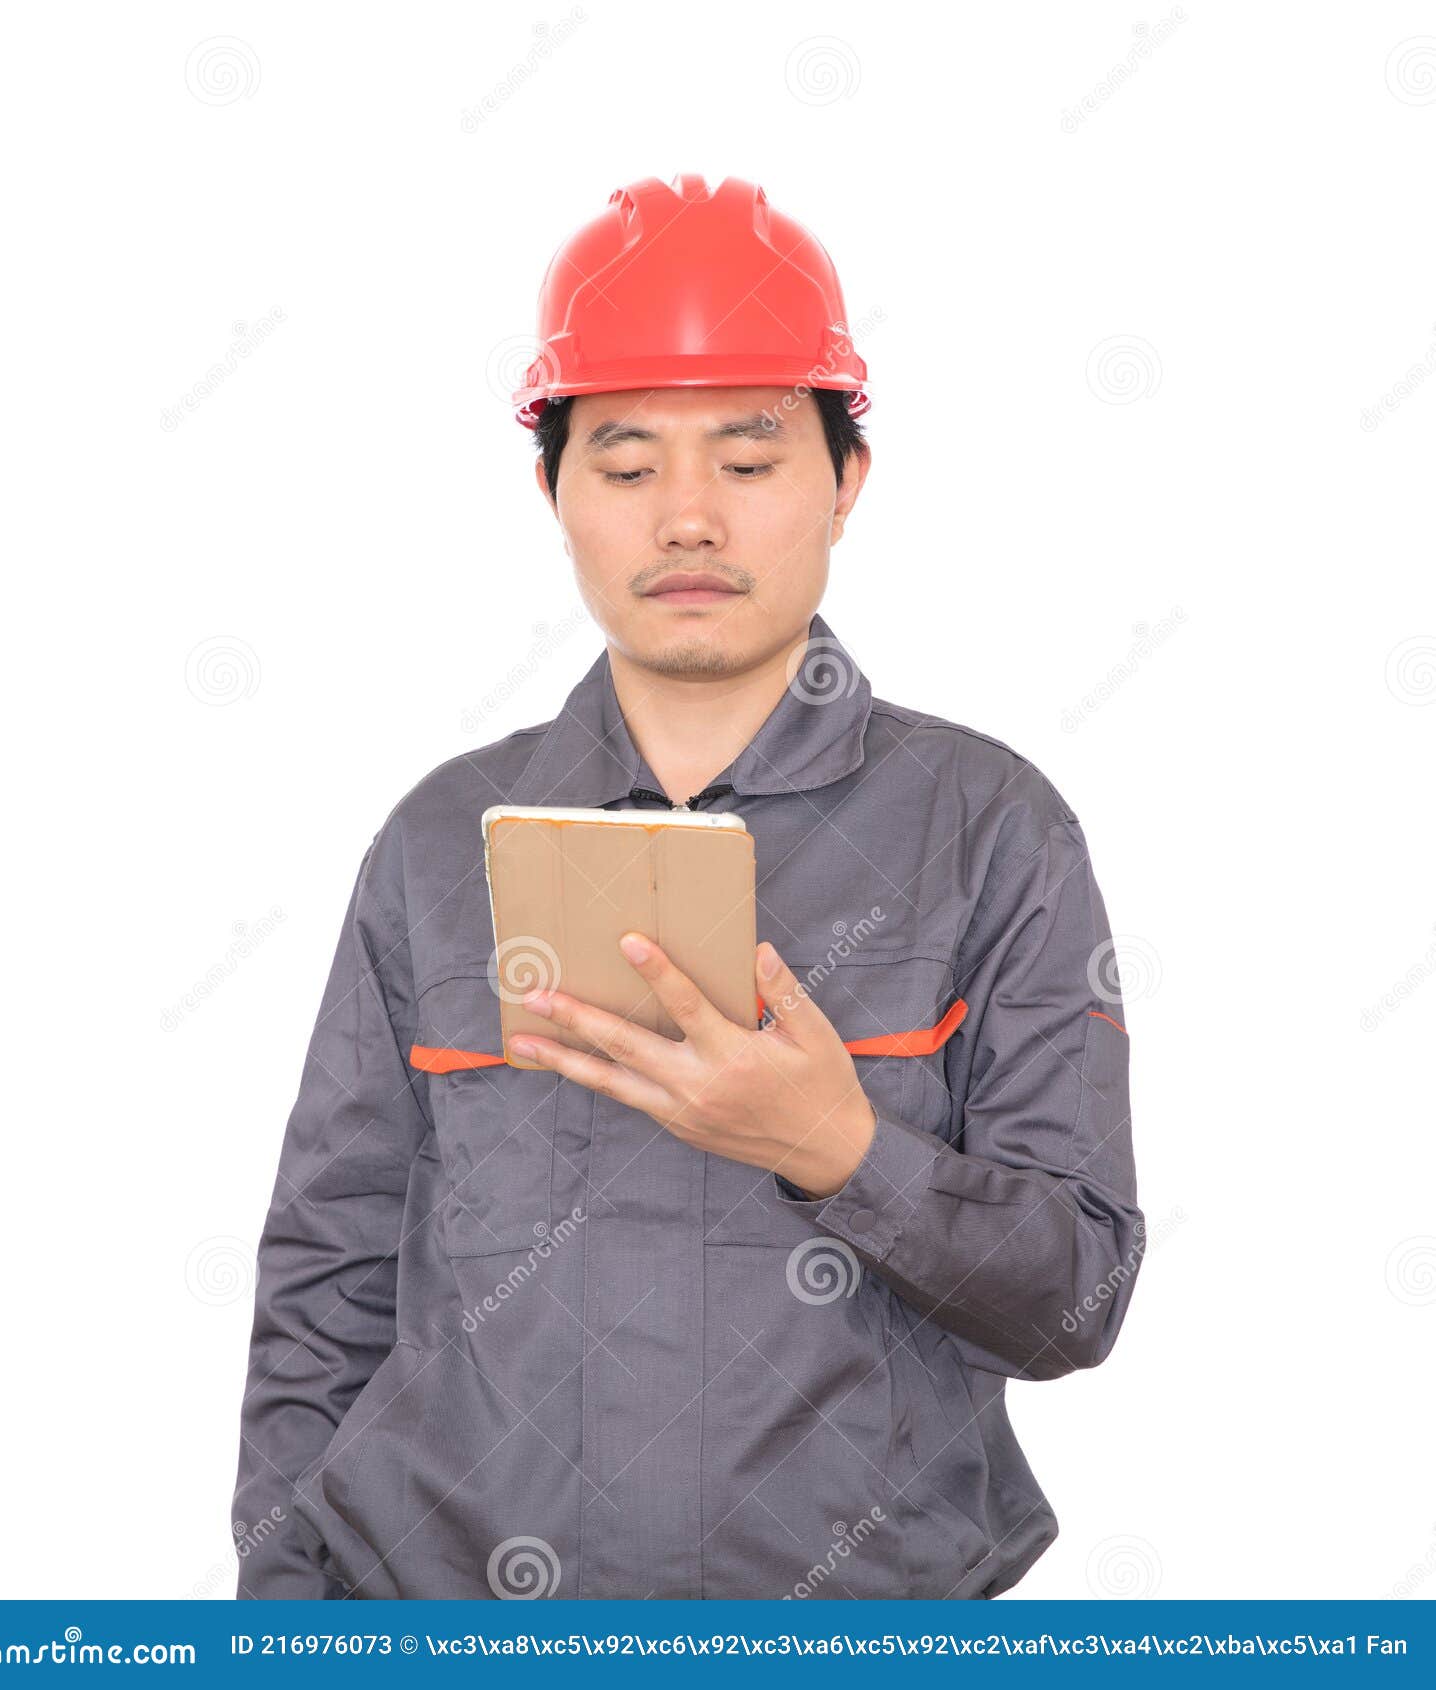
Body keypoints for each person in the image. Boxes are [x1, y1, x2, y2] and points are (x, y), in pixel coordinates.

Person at [232, 174, 1144, 1601]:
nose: (690, 518)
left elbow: (1077, 1294)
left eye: (751, 454)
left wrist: (847, 1148)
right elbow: (324, 1283)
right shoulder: (440, 841)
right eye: (627, 460)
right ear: (554, 491)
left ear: (847, 479)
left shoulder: (988, 829)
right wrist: (277, 1624)